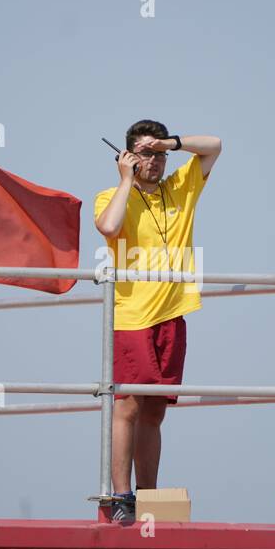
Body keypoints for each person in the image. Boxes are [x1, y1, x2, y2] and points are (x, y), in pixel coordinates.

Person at [93, 120, 222, 522]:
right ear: (128, 156)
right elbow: (109, 226)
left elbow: (215, 145)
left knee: (155, 412)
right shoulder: (110, 196)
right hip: (131, 317)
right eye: (146, 153)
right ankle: (121, 498)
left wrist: (170, 142)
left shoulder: (181, 186)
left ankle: (148, 498)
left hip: (173, 314)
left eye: (159, 154)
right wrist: (125, 179)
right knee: (127, 407)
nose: (155, 161)